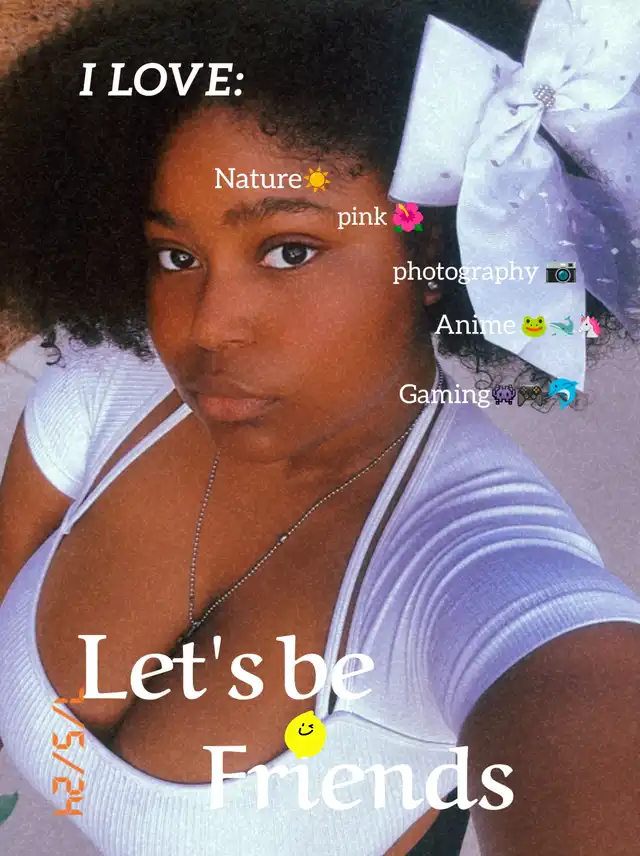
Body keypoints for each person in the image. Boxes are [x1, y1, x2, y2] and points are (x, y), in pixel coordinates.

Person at [0, 0, 639, 854]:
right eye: (177, 256)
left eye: (289, 250)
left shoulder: (477, 567)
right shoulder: (104, 382)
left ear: (432, 257)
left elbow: (581, 707)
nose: (207, 326)